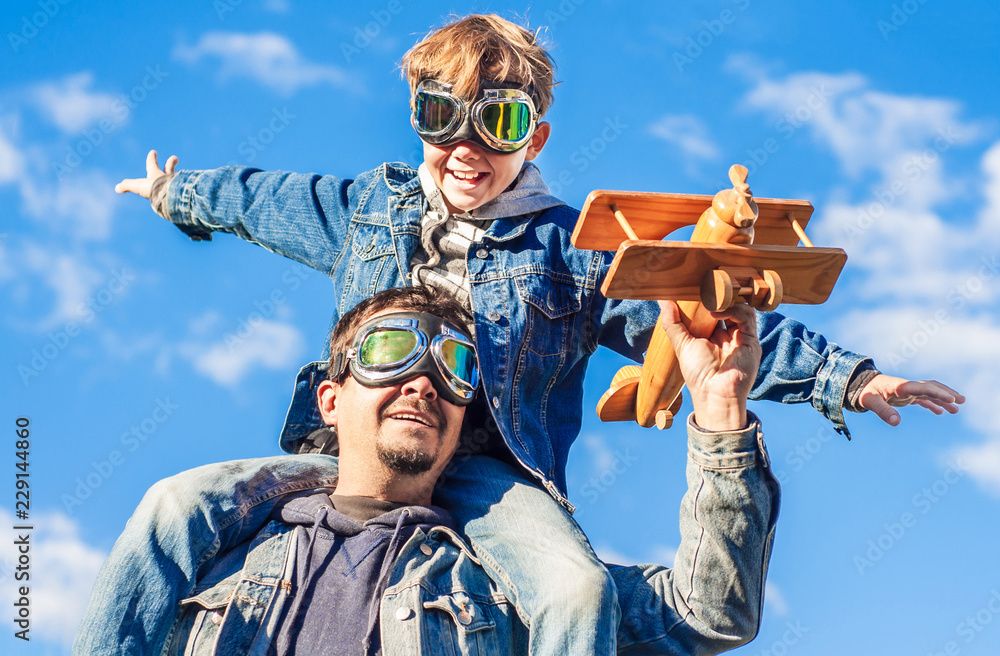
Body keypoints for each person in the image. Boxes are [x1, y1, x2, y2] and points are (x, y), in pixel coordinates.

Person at [83, 13, 963, 656]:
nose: (466, 146)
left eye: (496, 123)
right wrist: (176, 196)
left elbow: (696, 298)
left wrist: (846, 378)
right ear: (418, 120)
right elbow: (261, 200)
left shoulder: (569, 254)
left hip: (491, 476)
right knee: (172, 507)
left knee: (575, 587)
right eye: (442, 118)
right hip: (345, 452)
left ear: (533, 135)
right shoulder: (367, 209)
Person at [98, 285, 781, 656]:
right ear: (331, 400)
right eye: (391, 351)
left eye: (453, 368)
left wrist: (721, 408)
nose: (423, 382)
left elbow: (709, 613)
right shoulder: (214, 558)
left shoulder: (508, 586)